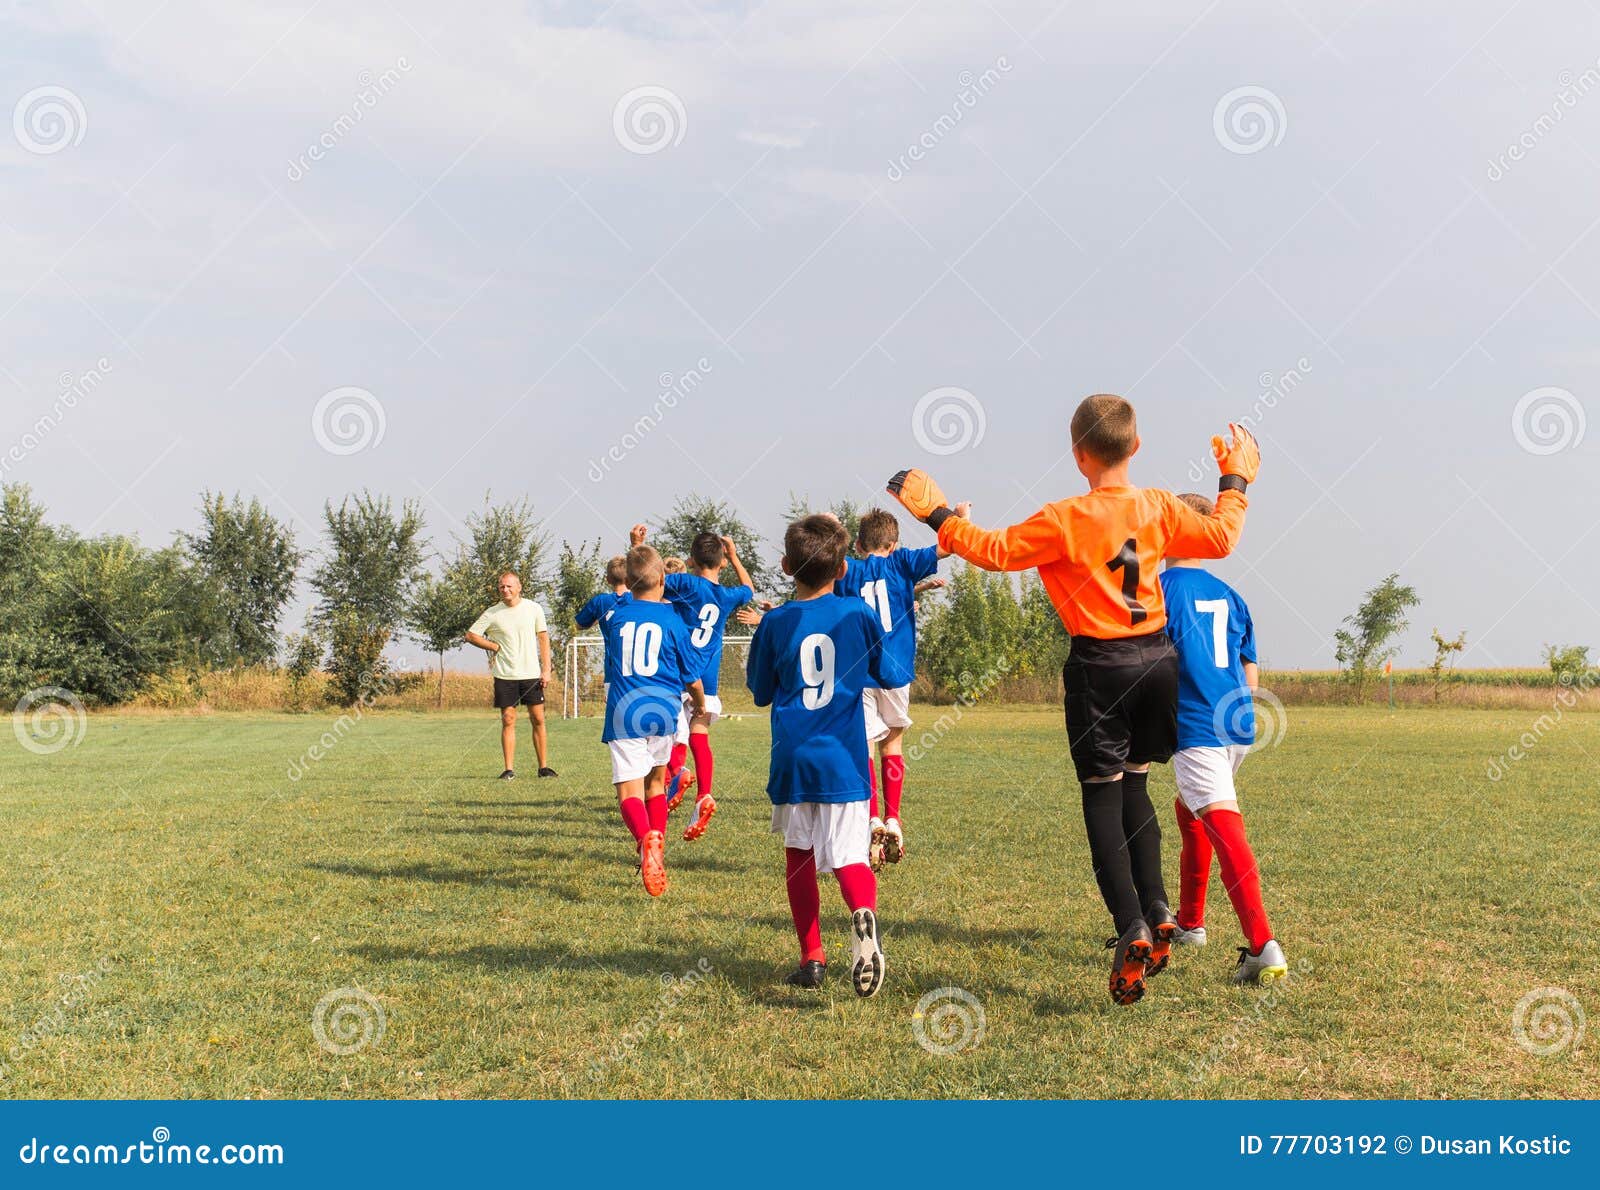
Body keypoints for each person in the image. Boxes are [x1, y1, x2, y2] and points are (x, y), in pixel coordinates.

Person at [886, 394, 1259, 1005]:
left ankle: (1130, 925)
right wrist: (1235, 476)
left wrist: (939, 515)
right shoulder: (1161, 506)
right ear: (1135, 448)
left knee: (1101, 798)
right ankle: (1160, 904)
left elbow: (993, 551)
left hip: (1100, 668)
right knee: (1137, 784)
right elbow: (1221, 536)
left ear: (1077, 452)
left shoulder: (1063, 518)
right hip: (1158, 663)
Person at [746, 514, 909, 995]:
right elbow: (890, 671)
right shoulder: (857, 613)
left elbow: (759, 692)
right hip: (844, 758)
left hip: (794, 758)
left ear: (784, 566)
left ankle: (812, 957)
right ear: (843, 571)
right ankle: (862, 916)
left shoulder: (774, 622)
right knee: (850, 857)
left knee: (799, 856)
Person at [1160, 494, 1288, 985]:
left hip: (1195, 726)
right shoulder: (1231, 594)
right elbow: (1248, 663)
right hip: (1236, 723)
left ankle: (1262, 945)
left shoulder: (1159, 590)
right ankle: (1191, 923)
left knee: (1223, 825)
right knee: (1188, 811)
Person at [835, 507, 961, 868]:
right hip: (895, 671)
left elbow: (820, 566)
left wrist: (829, 529)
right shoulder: (903, 562)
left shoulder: (850, 569)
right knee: (893, 744)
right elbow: (947, 546)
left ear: (859, 543)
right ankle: (893, 818)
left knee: (865, 745)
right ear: (894, 544)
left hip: (859, 673)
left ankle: (872, 817)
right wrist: (957, 517)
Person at [628, 525, 754, 841]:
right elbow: (749, 589)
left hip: (677, 671)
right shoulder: (726, 596)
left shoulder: (685, 583)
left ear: (692, 560)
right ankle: (704, 795)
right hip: (706, 679)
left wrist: (640, 546)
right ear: (722, 562)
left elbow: (650, 581)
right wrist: (736, 558)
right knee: (699, 734)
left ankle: (677, 774)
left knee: (665, 737)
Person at [597, 544, 706, 897]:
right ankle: (656, 844)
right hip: (664, 710)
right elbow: (692, 679)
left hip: (626, 707)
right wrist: (700, 705)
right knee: (656, 785)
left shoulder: (617, 618)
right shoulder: (674, 619)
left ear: (627, 581)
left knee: (628, 791)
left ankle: (646, 841)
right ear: (663, 578)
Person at [466, 572, 557, 780]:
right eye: (501, 587)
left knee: (538, 719)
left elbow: (543, 639)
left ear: (519, 587)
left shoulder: (534, 608)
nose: (505, 590)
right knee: (508, 719)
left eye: (509, 586)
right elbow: (471, 635)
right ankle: (508, 769)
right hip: (505, 675)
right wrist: (494, 646)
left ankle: (543, 767)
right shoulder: (492, 613)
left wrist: (546, 669)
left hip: (532, 674)